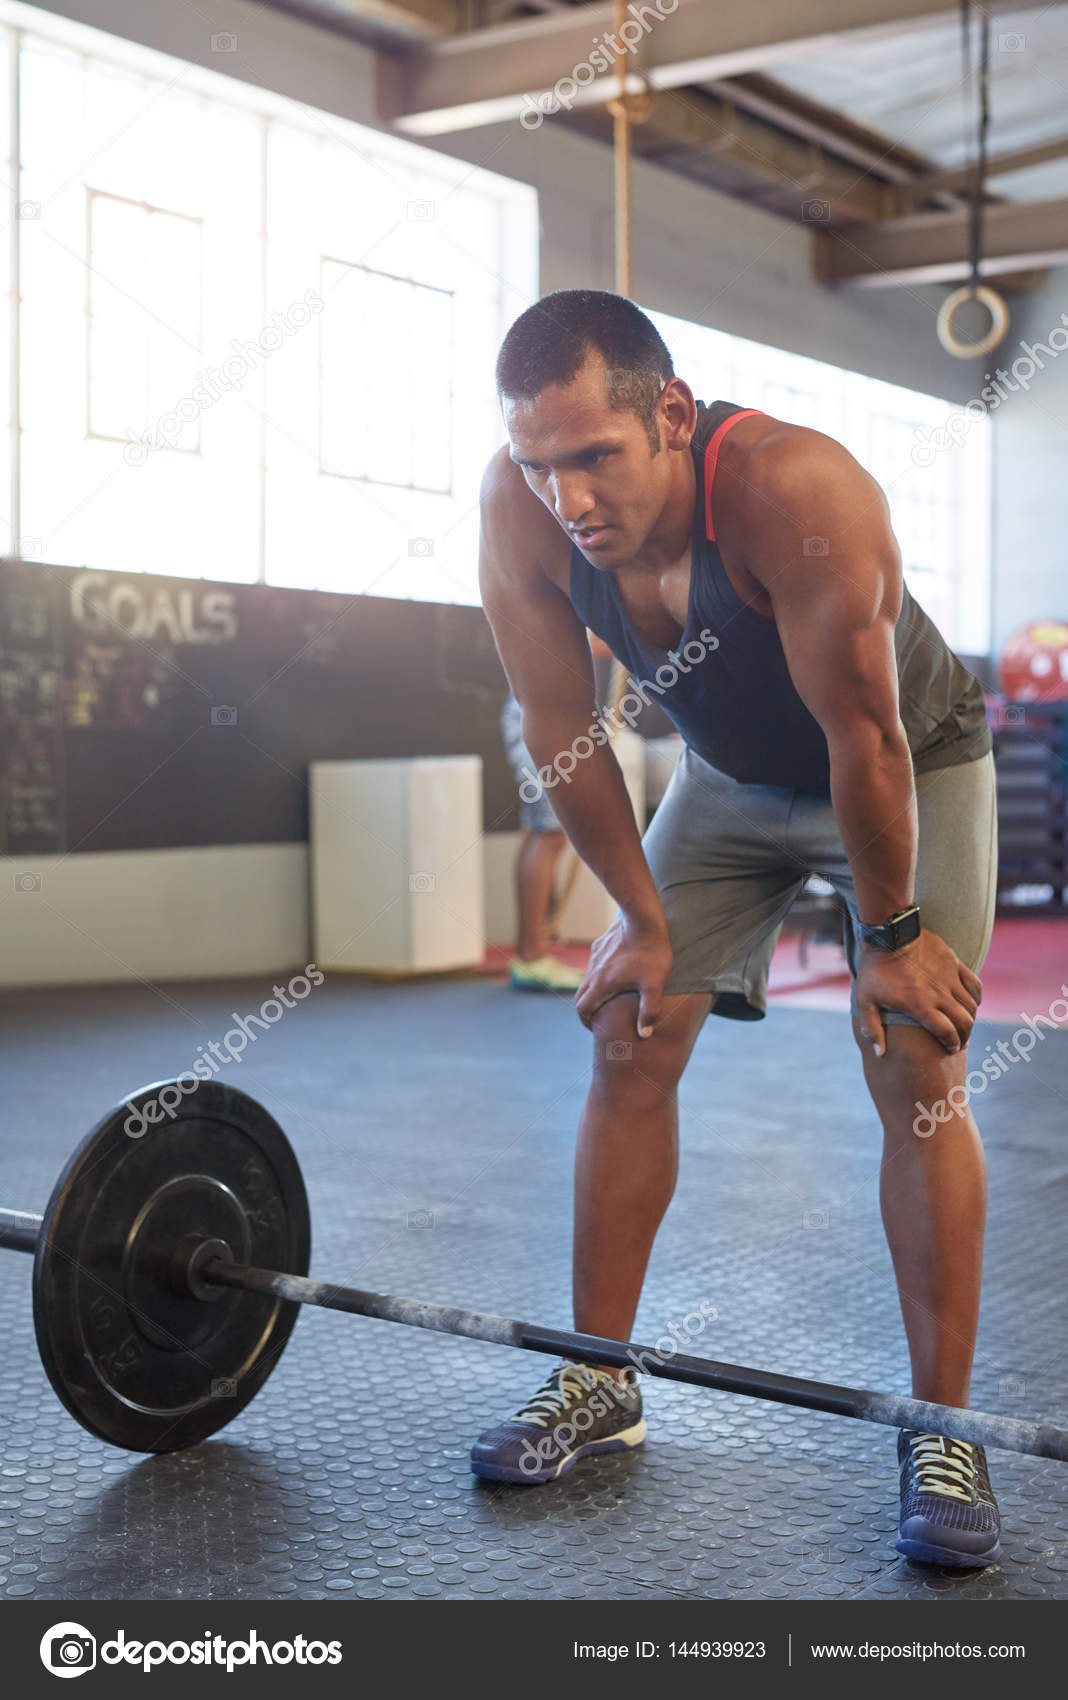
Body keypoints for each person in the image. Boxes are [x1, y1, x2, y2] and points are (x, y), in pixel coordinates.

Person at [472, 289, 1001, 1570]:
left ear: (669, 411)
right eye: (544, 465)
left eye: (596, 456)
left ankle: (943, 1426)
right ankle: (602, 1377)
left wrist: (893, 936)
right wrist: (641, 922)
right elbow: (559, 726)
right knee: (626, 1028)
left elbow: (866, 738)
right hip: (725, 781)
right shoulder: (519, 508)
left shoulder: (791, 488)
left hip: (903, 765)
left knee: (914, 1059)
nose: (570, 498)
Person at [501, 631, 616, 992]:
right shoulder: (556, 588)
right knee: (548, 833)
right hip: (541, 711)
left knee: (548, 833)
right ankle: (532, 957)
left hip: (552, 711)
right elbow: (581, 640)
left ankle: (532, 954)